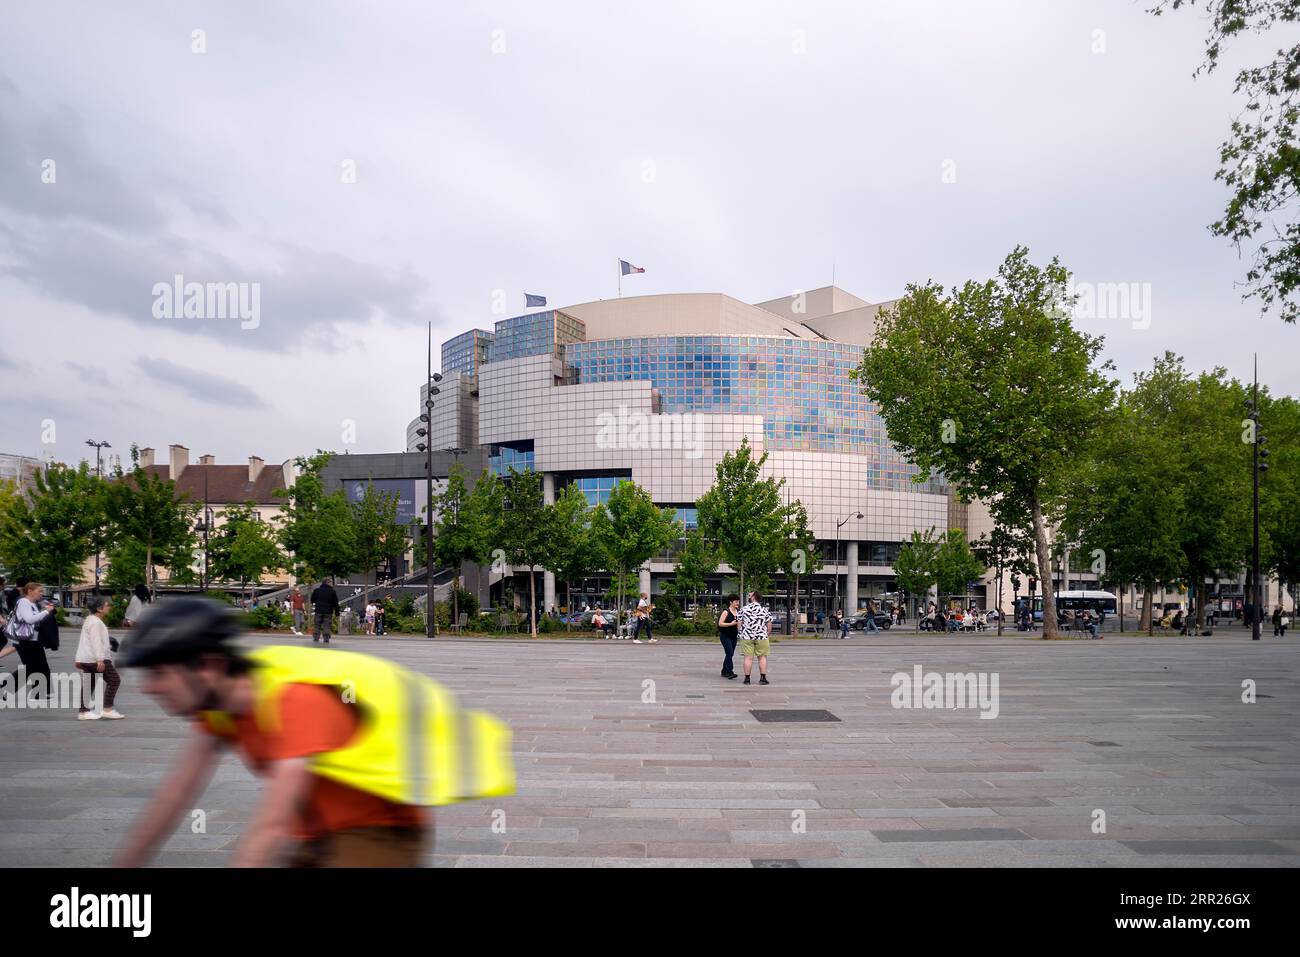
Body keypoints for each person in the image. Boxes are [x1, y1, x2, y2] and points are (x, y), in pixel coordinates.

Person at [113, 597, 515, 867]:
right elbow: (175, 794)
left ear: (210, 665)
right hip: (314, 836)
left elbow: (270, 824)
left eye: (161, 672)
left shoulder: (295, 701)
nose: (150, 686)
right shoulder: (218, 710)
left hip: (379, 837)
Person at [3, 581, 56, 698]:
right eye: (40, 591)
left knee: (42, 666)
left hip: (33, 640)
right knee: (30, 668)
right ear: (30, 591)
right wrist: (46, 611)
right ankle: (4, 688)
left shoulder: (32, 604)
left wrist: (46, 613)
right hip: (24, 641)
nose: (42, 593)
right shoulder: (23, 602)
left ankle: (40, 692)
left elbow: (36, 621)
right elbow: (29, 619)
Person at [75, 595, 124, 720]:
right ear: (99, 609)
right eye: (108, 605)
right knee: (114, 680)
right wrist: (100, 660)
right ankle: (107, 709)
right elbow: (96, 642)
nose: (110, 607)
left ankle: (83, 712)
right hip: (95, 659)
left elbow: (86, 642)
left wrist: (79, 659)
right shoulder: (96, 622)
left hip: (87, 658)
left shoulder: (90, 620)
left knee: (89, 684)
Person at [738, 591, 772, 685]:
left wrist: (740, 632)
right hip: (761, 636)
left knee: (748, 658)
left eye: (750, 595)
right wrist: (767, 633)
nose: (748, 596)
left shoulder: (743, 609)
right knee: (762, 657)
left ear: (754, 597)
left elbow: (739, 623)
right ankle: (763, 678)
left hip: (747, 636)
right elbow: (769, 623)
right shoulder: (764, 610)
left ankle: (747, 679)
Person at [310, 579, 339, 644]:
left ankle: (316, 638)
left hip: (318, 610)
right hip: (328, 611)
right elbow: (335, 603)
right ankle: (326, 639)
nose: (332, 584)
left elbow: (312, 600)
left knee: (317, 624)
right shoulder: (332, 592)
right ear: (327, 583)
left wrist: (317, 602)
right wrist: (337, 613)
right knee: (327, 625)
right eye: (331, 582)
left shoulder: (316, 590)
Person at [717, 596, 740, 680]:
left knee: (730, 654)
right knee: (729, 652)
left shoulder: (738, 612)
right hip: (725, 636)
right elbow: (720, 623)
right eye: (736, 601)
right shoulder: (726, 612)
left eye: (738, 601)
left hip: (734, 636)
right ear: (731, 602)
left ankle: (724, 671)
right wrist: (731, 624)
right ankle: (730, 672)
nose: (738, 603)